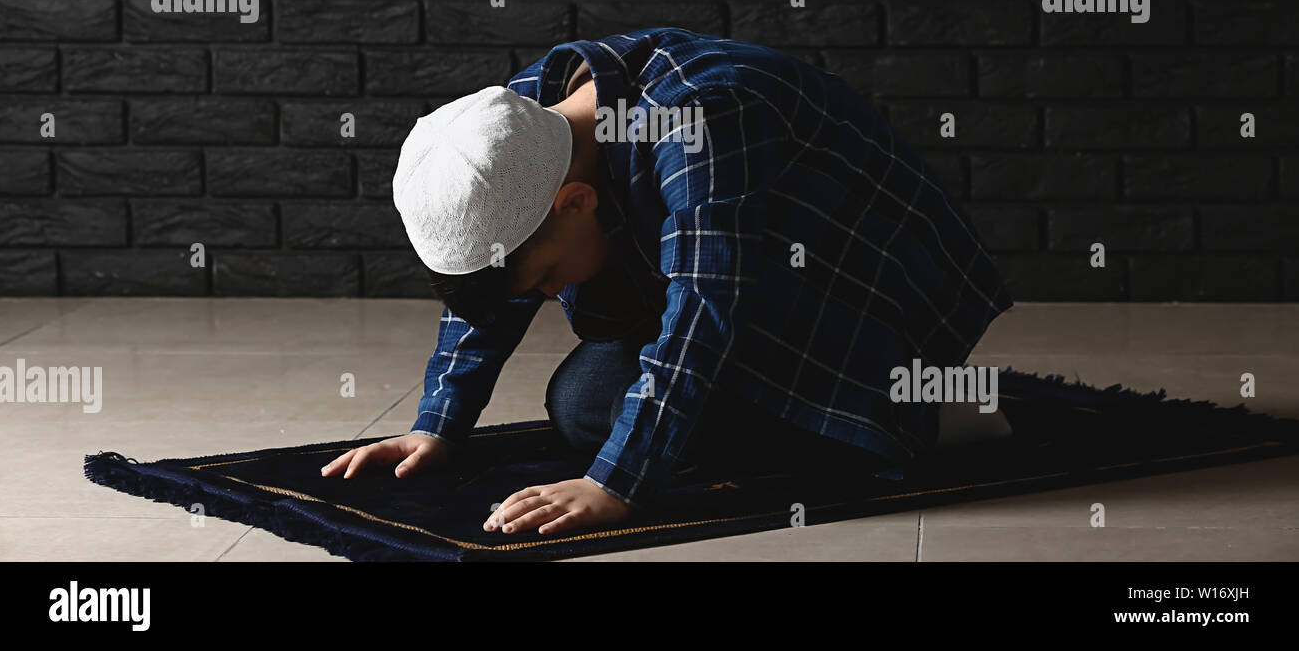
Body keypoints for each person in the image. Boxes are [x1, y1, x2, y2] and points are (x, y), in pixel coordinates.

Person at [321, 27, 1014, 537]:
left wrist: (617, 484)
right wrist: (437, 426)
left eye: (543, 279)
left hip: (866, 276)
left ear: (576, 202)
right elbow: (496, 277)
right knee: (585, 403)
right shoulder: (521, 120)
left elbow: (706, 309)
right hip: (744, 265)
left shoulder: (700, 123)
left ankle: (916, 406)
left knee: (619, 420)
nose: (538, 299)